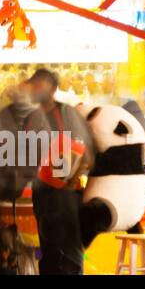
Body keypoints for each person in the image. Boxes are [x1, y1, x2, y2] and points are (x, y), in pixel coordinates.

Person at [24, 68, 95, 275]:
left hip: (65, 194)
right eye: (33, 83)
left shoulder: (67, 114)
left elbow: (87, 153)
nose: (34, 88)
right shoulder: (32, 118)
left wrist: (73, 177)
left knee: (70, 253)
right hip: (41, 193)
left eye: (40, 84)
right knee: (49, 253)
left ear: (52, 89)